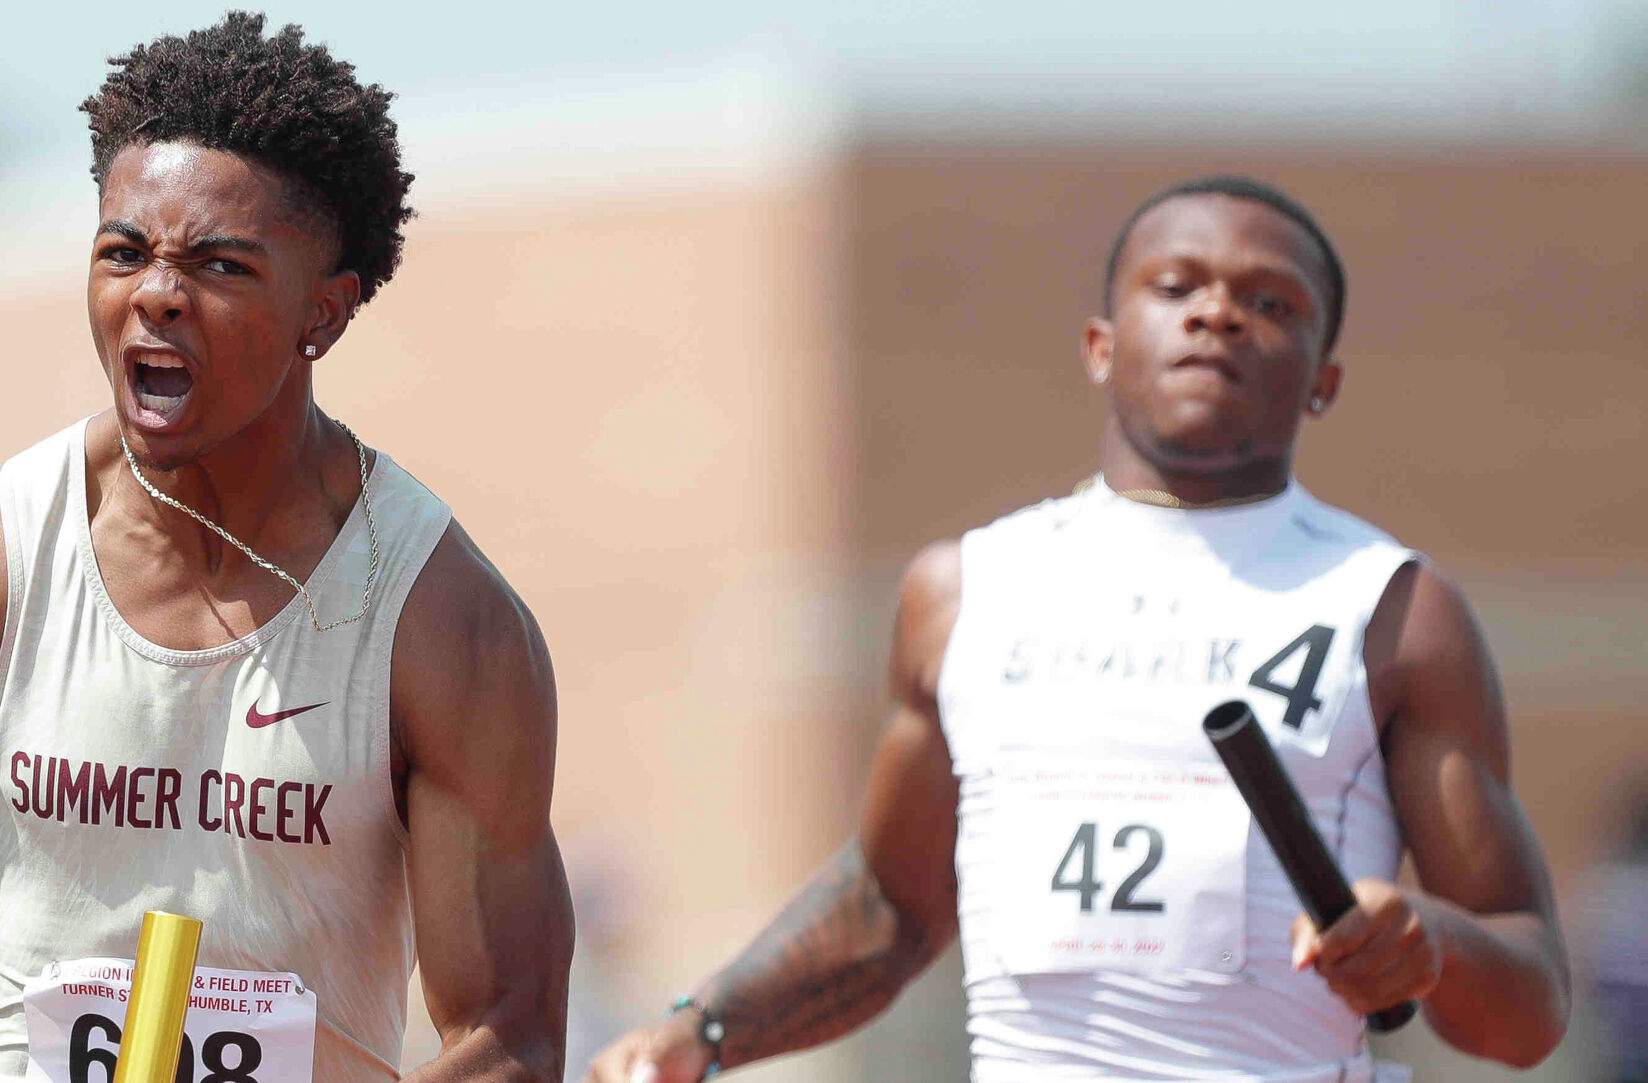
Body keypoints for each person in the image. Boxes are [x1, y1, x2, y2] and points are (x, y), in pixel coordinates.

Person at [584, 176, 1569, 1083]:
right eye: (1175, 285)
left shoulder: (1393, 609)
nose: (1217, 313)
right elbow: (892, 905)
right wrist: (702, 1028)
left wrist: (1430, 940)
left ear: (1325, 380)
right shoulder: (963, 592)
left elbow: (1528, 1013)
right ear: (1099, 345)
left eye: (1270, 303)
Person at [0, 15, 572, 1083]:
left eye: (218, 265)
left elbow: (507, 1031)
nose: (156, 293)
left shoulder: (443, 622)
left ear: (324, 314)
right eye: (124, 254)